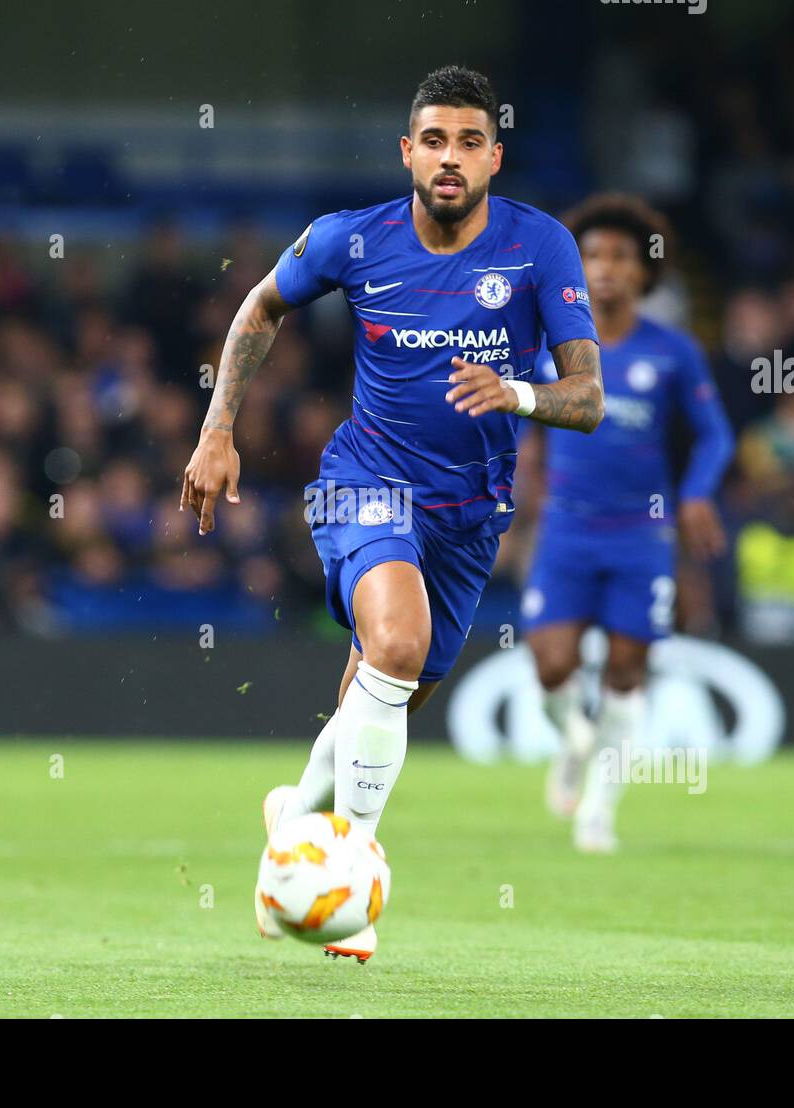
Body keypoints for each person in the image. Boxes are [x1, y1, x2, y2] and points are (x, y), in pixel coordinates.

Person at [181, 65, 604, 961]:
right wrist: (219, 430)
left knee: (394, 684)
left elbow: (587, 397)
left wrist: (518, 394)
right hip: (361, 479)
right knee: (397, 644)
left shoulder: (542, 248)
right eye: (436, 141)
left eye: (470, 142)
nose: (451, 159)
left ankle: (295, 821)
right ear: (408, 151)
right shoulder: (352, 240)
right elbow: (260, 307)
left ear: (496, 156)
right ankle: (349, 876)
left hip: (471, 516)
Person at [522, 193, 734, 853]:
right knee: (551, 665)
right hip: (566, 529)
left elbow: (715, 436)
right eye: (591, 255)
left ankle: (598, 813)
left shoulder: (674, 352)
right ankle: (575, 741)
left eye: (621, 256)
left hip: (642, 535)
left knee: (625, 670)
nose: (605, 268)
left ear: (646, 272)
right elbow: (519, 420)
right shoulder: (551, 347)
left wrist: (697, 493)